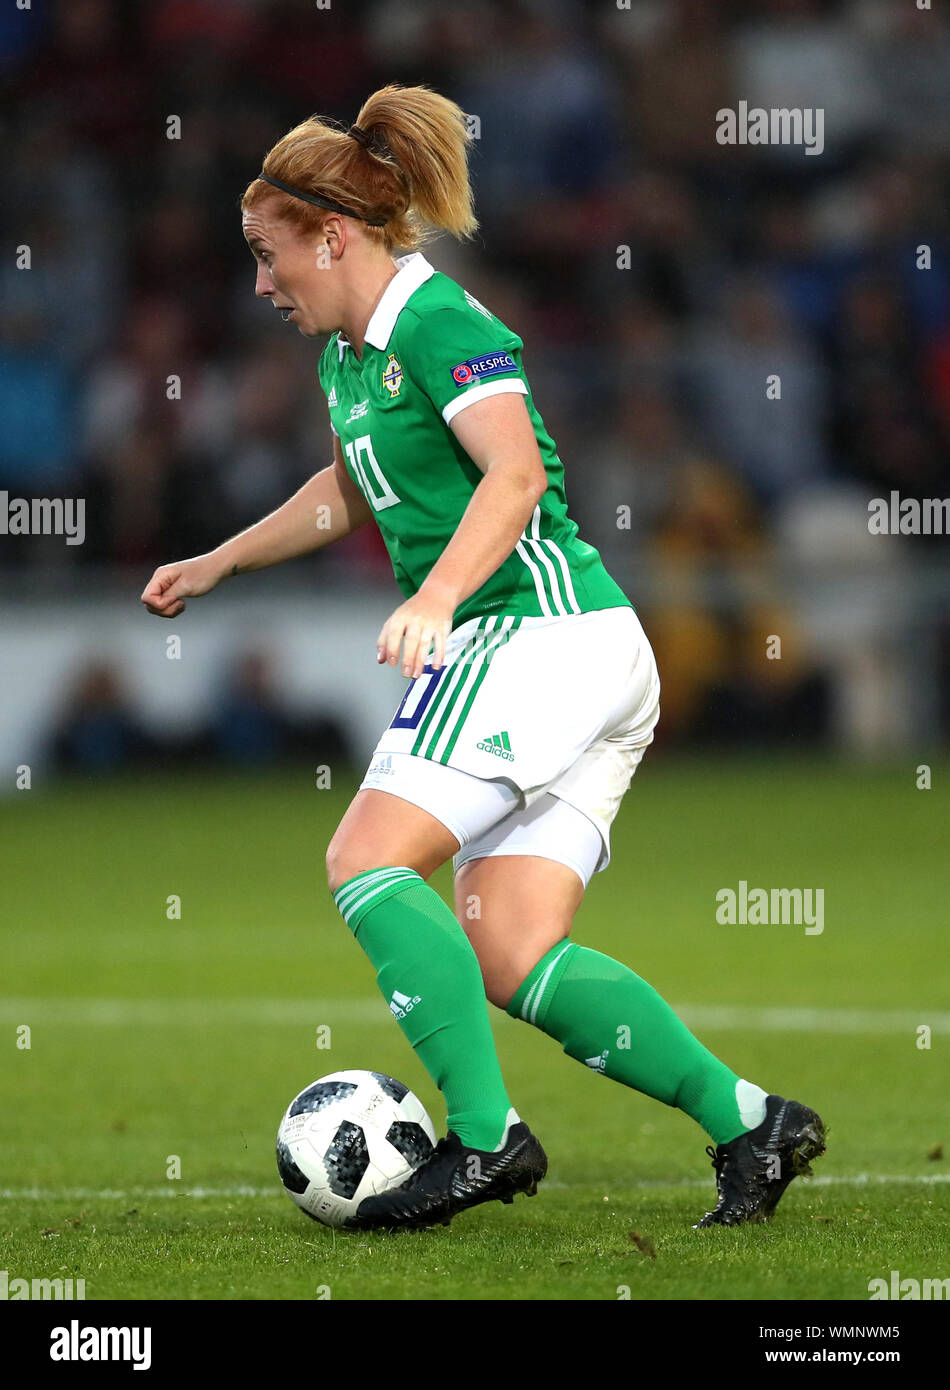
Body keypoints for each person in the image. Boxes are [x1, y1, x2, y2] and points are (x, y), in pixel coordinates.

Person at [141, 84, 825, 1232]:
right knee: (510, 952)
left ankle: (484, 1140)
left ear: (333, 235)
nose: (262, 283)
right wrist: (219, 559)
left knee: (364, 862)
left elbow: (511, 475)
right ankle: (750, 1123)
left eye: (268, 256)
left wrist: (436, 599)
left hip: (534, 633)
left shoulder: (435, 320)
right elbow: (353, 488)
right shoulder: (351, 359)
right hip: (586, 657)